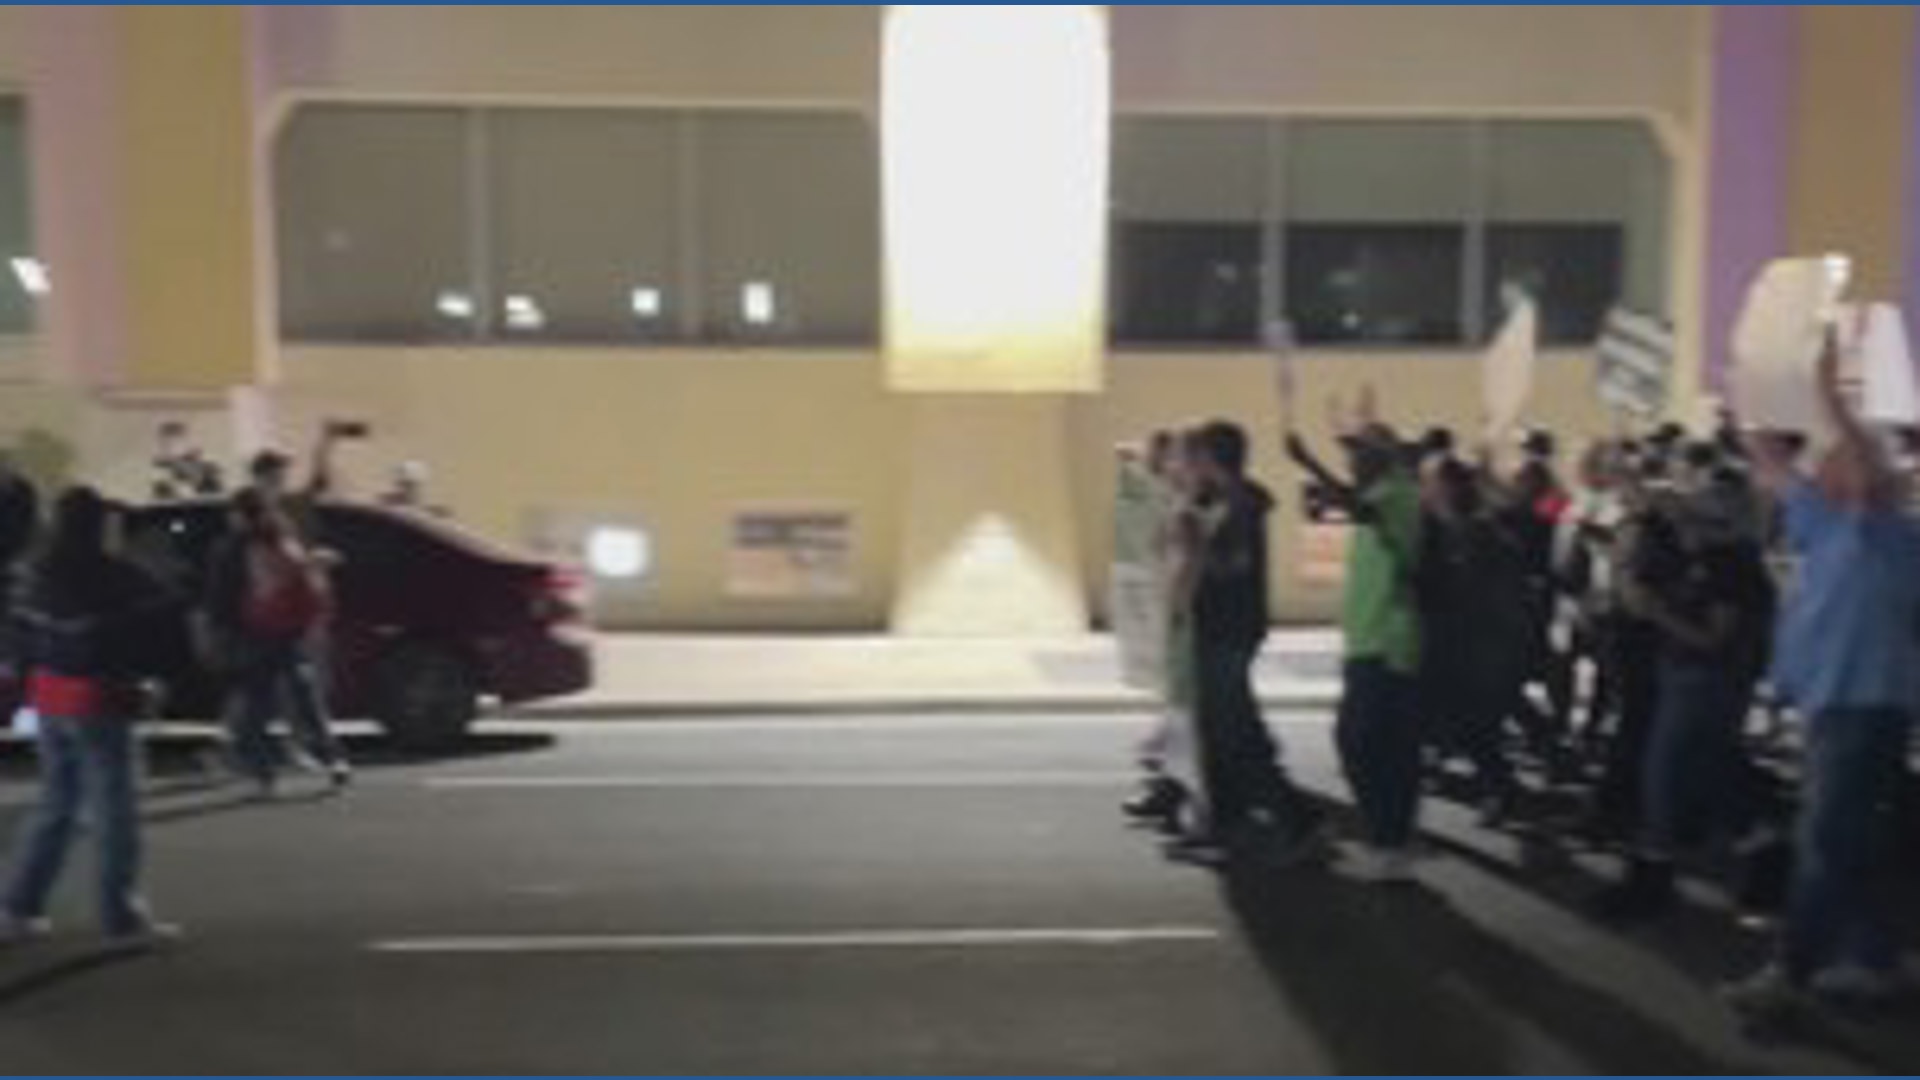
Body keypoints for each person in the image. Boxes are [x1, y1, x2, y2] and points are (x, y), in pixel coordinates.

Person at [1724, 330, 1920, 1018]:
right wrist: (1752, 387)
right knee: (1854, 841)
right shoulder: (1825, 525)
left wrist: (1832, 394)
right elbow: (1771, 462)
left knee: (1825, 842)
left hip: (1863, 708)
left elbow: (1867, 467)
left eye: (1833, 459)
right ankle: (1876, 959)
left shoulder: (1890, 533)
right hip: (1833, 705)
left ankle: (1791, 971)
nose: (1824, 466)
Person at [1597, 453, 1776, 921]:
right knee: (1712, 776)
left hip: (1705, 682)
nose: (1688, 525)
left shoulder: (1730, 567)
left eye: (1700, 515)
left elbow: (1714, 638)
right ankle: (1762, 861)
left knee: (1666, 776)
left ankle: (1655, 881)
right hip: (1691, 679)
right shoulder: (1713, 559)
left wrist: (1655, 611)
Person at [0, 487, 181, 947]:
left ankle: (19, 906)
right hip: (99, 700)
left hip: (47, 700)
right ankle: (118, 917)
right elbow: (160, 624)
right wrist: (152, 682)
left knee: (56, 805)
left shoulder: (33, 574)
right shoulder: (118, 576)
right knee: (115, 810)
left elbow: (19, 641)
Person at [1287, 399, 1425, 882]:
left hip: (1391, 642)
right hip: (1366, 640)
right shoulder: (1384, 493)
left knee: (1365, 741)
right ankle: (1393, 837)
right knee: (1377, 744)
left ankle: (1392, 838)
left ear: (1382, 457)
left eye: (1359, 453)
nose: (1351, 460)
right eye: (1350, 453)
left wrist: (1308, 463)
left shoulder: (1400, 494)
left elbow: (1358, 506)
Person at [1172, 420, 1321, 864]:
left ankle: (1298, 822)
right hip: (1221, 630)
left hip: (1227, 632)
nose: (1186, 465)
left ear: (1210, 459)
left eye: (1192, 456)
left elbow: (1232, 565)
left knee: (1235, 733)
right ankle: (1227, 826)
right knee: (1220, 734)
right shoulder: (1226, 500)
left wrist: (1194, 541)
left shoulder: (1238, 505)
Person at [204, 489, 350, 796]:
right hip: (292, 633)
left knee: (257, 707)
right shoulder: (283, 536)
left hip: (253, 634)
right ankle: (335, 760)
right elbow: (306, 580)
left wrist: (219, 631)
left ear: (239, 514)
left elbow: (220, 598)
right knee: (307, 701)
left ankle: (263, 776)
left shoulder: (231, 547)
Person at [1418, 456, 1531, 825]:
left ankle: (1501, 789)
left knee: (1476, 726)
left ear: (1448, 488)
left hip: (1481, 649)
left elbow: (1489, 597)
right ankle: (1494, 784)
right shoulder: (1447, 530)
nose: (1425, 489)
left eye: (1430, 482)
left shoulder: (1479, 534)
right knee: (1463, 723)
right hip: (1460, 646)